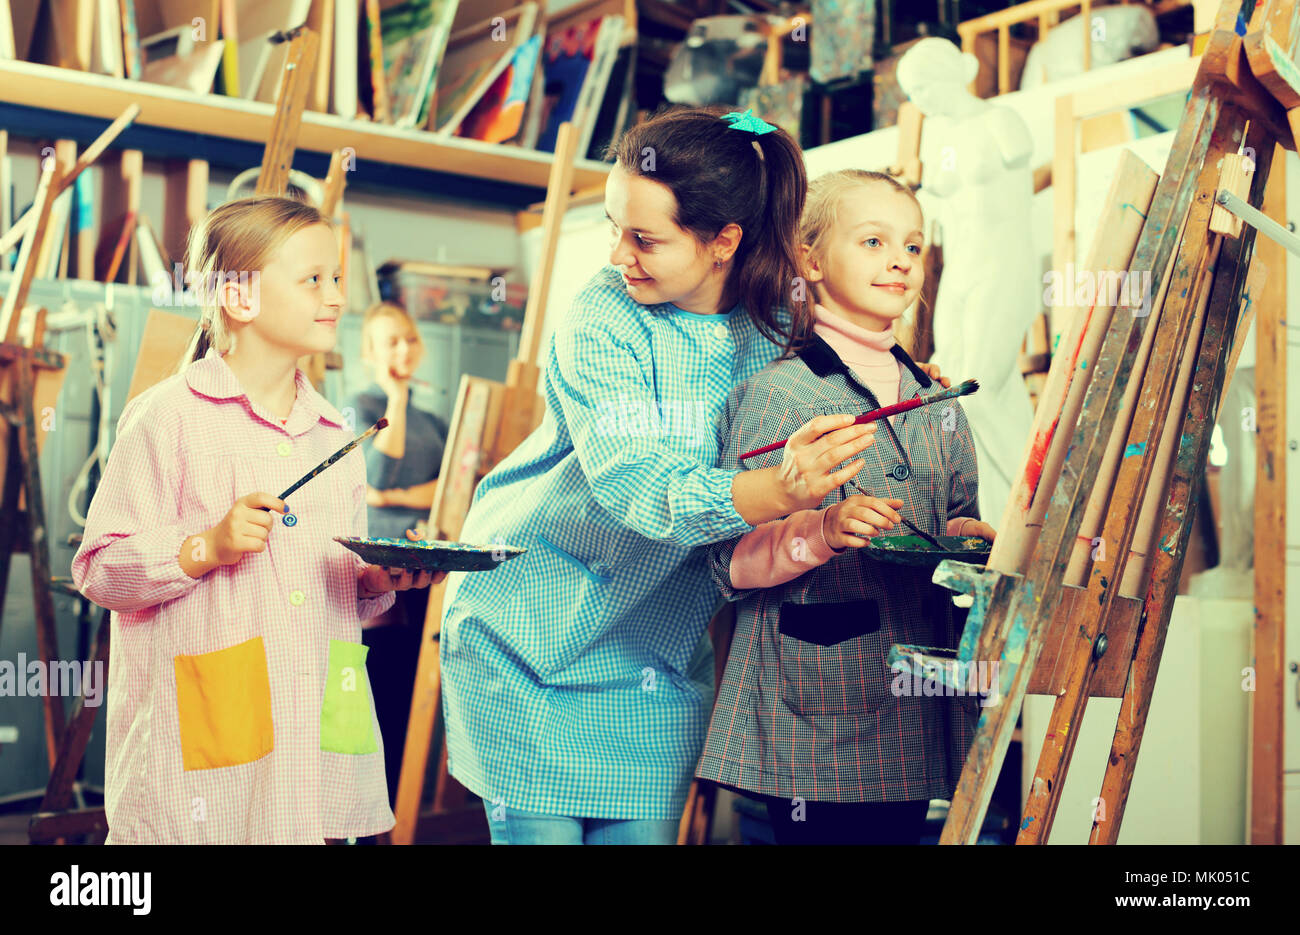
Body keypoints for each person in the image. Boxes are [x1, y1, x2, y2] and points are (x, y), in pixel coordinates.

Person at [438, 106, 949, 845]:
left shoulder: (778, 328)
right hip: (524, 640)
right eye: (615, 227)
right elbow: (640, 488)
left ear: (724, 242)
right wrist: (778, 488)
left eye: (645, 237)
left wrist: (898, 382)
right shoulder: (600, 320)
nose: (620, 254)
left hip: (658, 664)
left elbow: (850, 356)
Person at [71, 196, 439, 844]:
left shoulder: (336, 435)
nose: (335, 296)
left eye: (336, 278)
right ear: (239, 297)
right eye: (313, 279)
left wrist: (380, 581)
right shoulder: (169, 417)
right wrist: (204, 546)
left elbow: (340, 596)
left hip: (312, 744)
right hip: (203, 763)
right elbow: (99, 569)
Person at [696, 169, 995, 845]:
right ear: (809, 258)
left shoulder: (938, 398)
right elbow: (726, 560)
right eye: (872, 241)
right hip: (818, 713)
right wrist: (822, 530)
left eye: (913, 246)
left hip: (917, 708)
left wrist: (966, 539)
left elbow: (950, 524)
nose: (899, 260)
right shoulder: (779, 394)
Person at [344, 301, 449, 805]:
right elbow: (376, 476)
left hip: (425, 576)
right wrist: (396, 398)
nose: (403, 349)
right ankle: (359, 820)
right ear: (369, 353)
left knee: (410, 700)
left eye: (409, 338)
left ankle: (397, 814)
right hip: (373, 579)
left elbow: (453, 489)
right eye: (391, 341)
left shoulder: (437, 419)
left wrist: (396, 499)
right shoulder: (359, 409)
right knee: (368, 703)